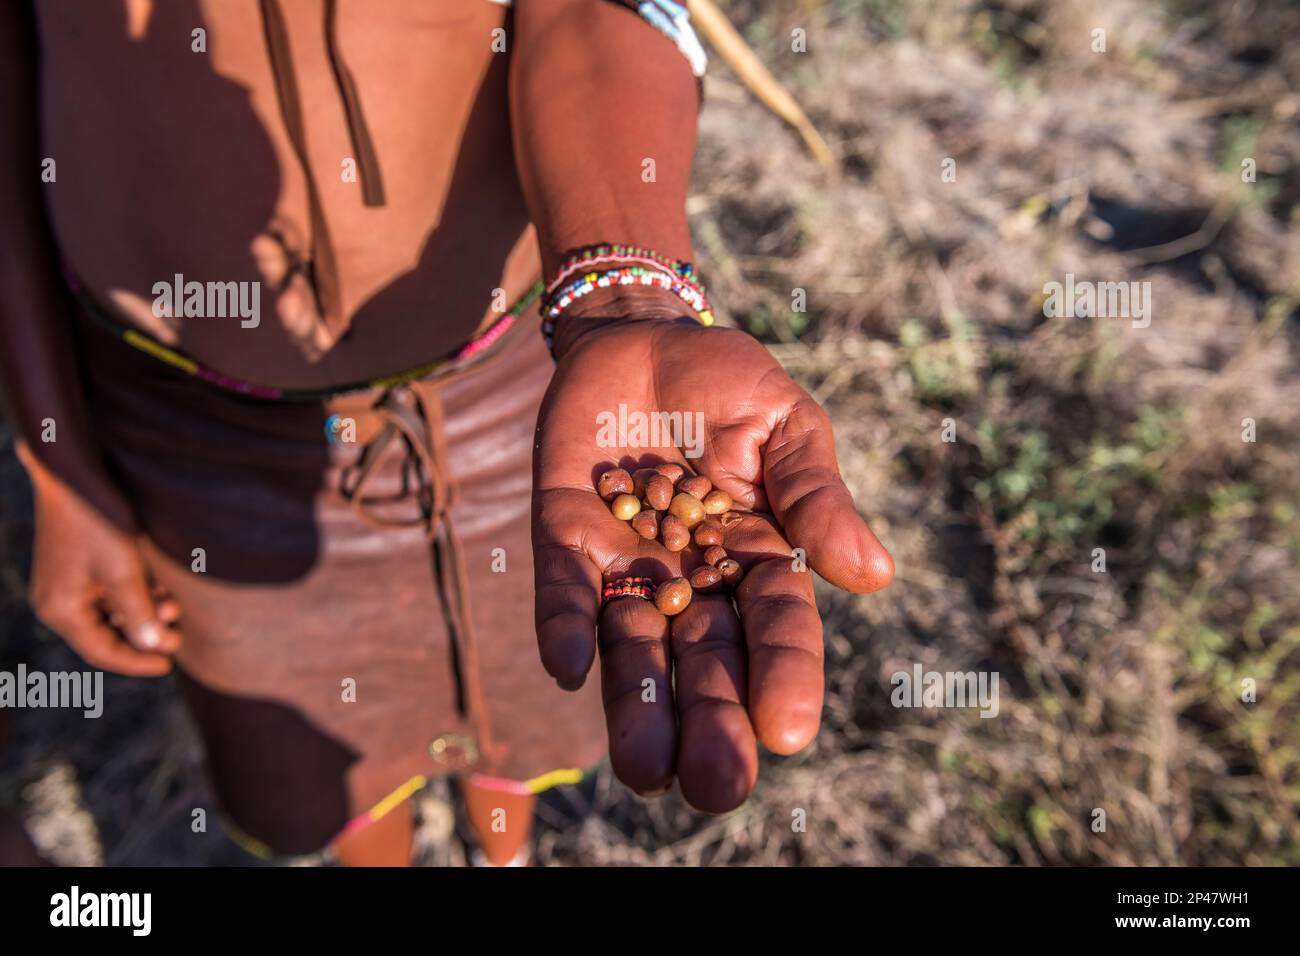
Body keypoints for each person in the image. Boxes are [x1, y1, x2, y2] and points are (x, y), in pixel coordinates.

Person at [0, 0, 894, 867]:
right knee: (333, 767)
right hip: (189, 429)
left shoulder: (609, 456)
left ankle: (502, 853)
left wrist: (627, 297)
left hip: (526, 397)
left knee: (531, 709)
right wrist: (57, 461)